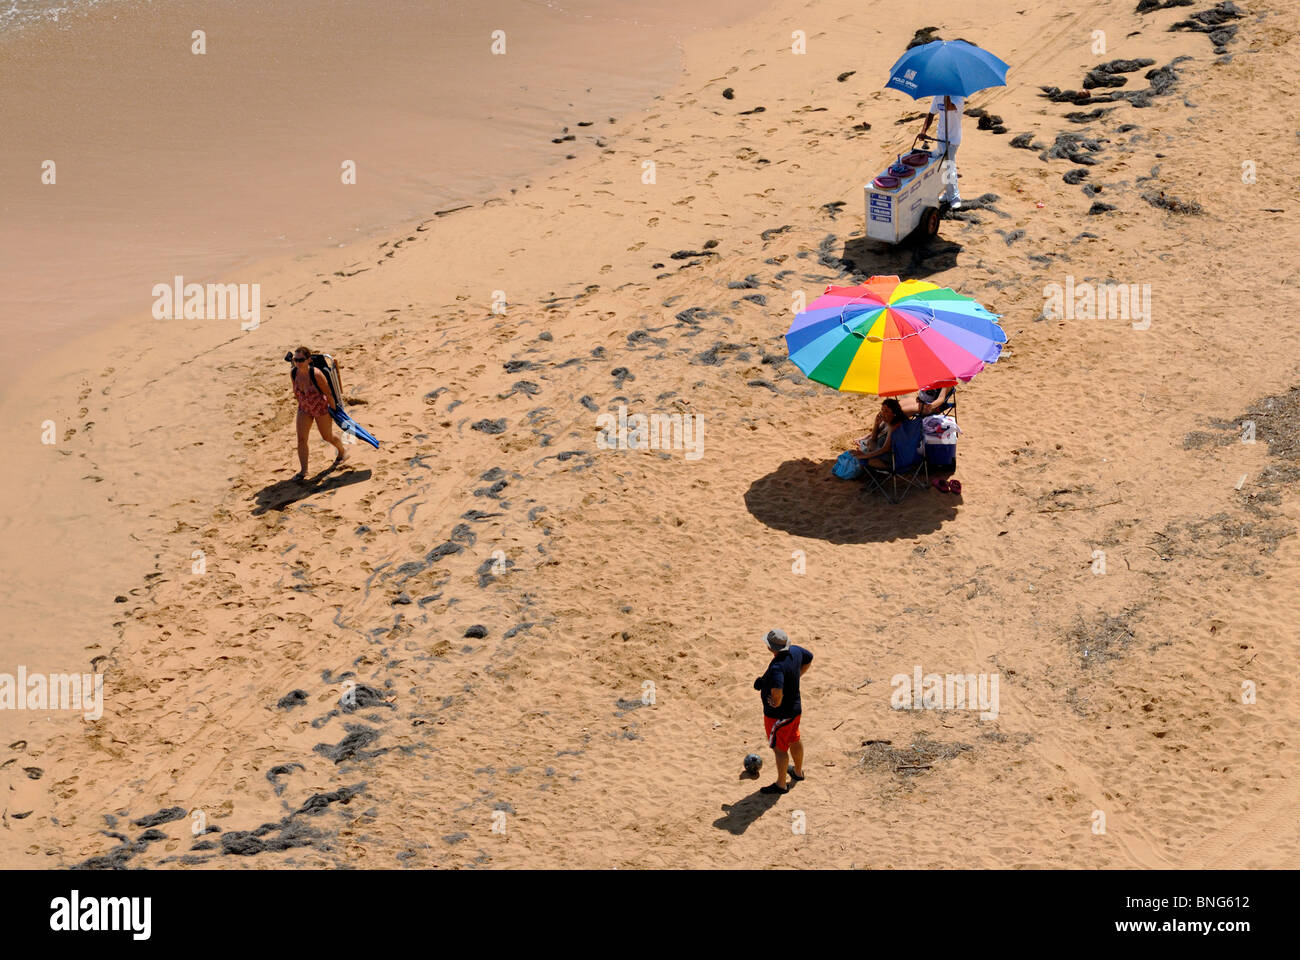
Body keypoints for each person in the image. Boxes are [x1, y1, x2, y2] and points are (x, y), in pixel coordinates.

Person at [753, 629, 814, 795]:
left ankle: (781, 784)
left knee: (780, 749)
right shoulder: (795, 651)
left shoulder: (777, 667)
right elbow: (809, 658)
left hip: (779, 717)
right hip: (795, 709)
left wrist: (776, 701)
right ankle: (798, 772)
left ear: (770, 647)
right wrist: (797, 676)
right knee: (794, 738)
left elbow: (778, 690)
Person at [289, 346, 347, 480]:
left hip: (321, 409)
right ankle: (303, 471)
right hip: (304, 408)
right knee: (301, 439)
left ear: (308, 360)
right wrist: (302, 405)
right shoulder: (293, 373)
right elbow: (295, 391)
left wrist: (335, 412)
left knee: (327, 437)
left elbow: (328, 393)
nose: (298, 363)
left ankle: (342, 452)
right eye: (295, 360)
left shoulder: (316, 374)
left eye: (301, 360)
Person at [920, 94, 964, 209]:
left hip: (953, 139)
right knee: (943, 166)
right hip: (941, 137)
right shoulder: (938, 97)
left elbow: (948, 106)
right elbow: (930, 114)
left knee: (949, 165)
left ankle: (955, 197)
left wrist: (946, 94)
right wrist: (924, 130)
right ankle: (947, 193)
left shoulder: (958, 99)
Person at [856, 397, 906, 469]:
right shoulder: (887, 422)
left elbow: (885, 449)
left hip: (894, 457)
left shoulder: (894, 426)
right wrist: (876, 424)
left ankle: (886, 469)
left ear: (894, 413)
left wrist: (865, 455)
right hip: (883, 452)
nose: (883, 413)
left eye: (886, 411)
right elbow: (873, 438)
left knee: (867, 460)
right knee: (870, 442)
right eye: (882, 410)